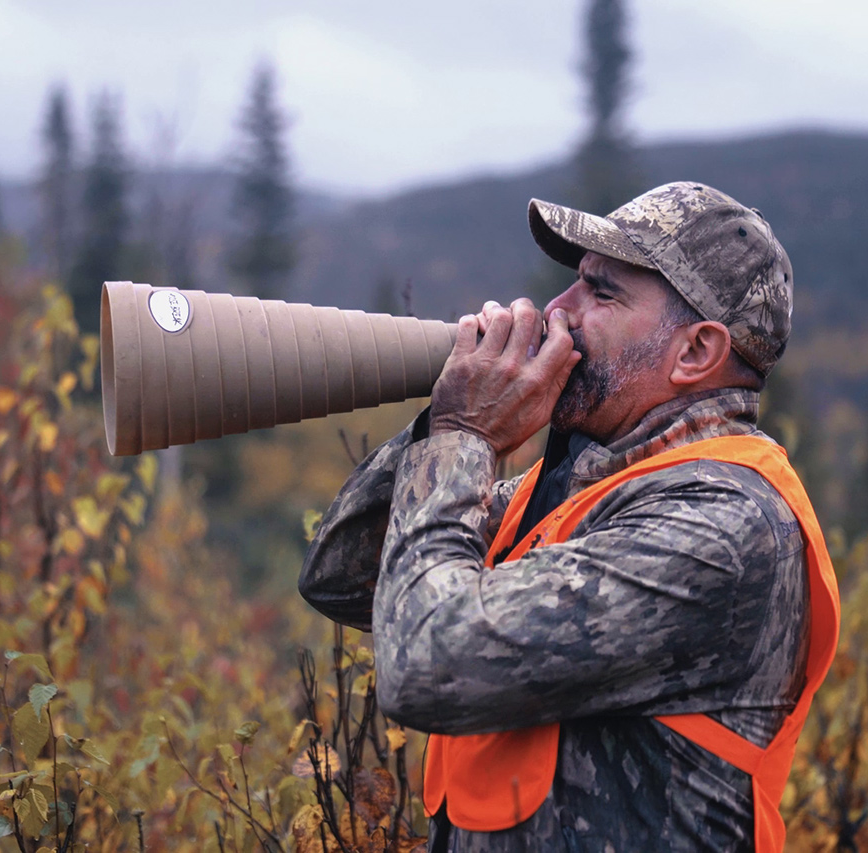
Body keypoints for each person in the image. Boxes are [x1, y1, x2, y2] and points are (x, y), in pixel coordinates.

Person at [299, 182, 839, 852]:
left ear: (696, 351)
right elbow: (344, 574)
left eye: (602, 292)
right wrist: (449, 421)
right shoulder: (576, 488)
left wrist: (467, 435)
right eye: (574, 283)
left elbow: (427, 664)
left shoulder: (723, 528)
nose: (557, 310)